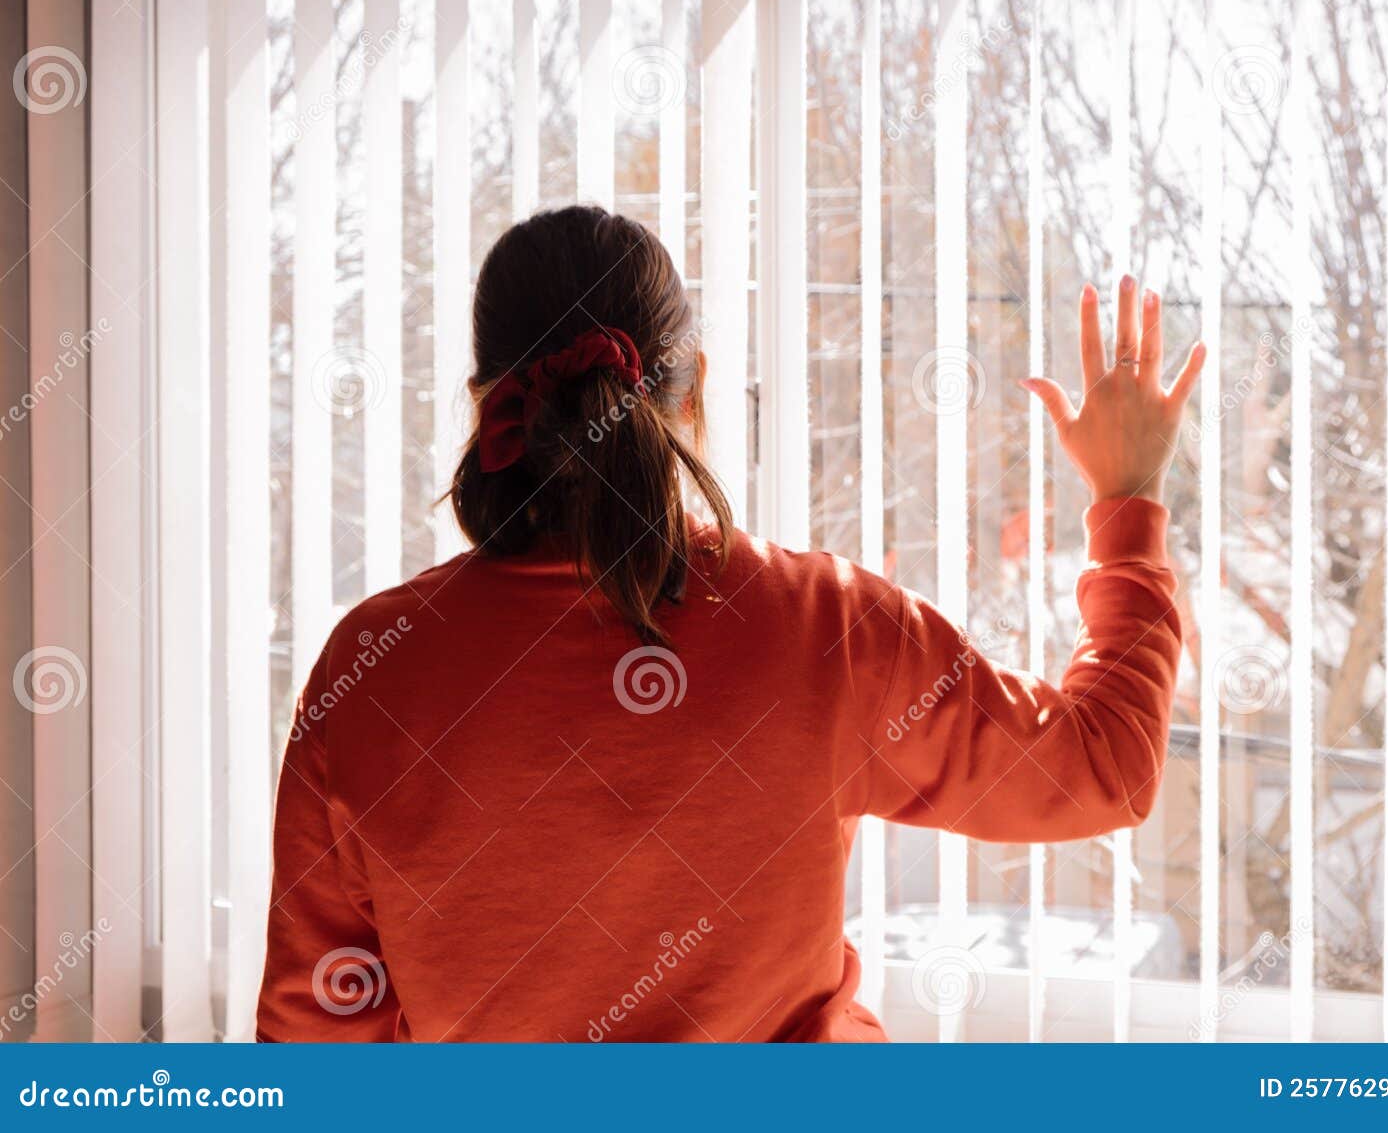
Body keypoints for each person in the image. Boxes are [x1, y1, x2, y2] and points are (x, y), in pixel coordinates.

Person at [256, 205, 1205, 1042]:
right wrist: (1128, 504)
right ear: (693, 391)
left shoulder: (369, 671)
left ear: (489, 402)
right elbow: (1103, 770)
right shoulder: (824, 627)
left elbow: (316, 1034)